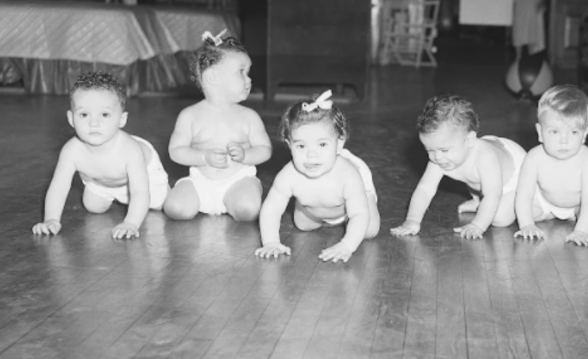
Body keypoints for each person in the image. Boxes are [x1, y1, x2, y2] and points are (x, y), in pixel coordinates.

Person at [32, 72, 169, 240]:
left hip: (144, 179)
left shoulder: (131, 150)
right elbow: (59, 187)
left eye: (104, 114)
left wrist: (131, 223)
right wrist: (51, 220)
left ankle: (170, 190)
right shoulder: (71, 151)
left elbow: (140, 191)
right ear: (71, 118)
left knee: (165, 206)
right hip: (103, 181)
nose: (94, 123)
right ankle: (113, 195)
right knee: (93, 206)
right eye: (84, 114)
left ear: (121, 120)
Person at [255, 90, 380, 263]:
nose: (311, 155)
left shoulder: (349, 174)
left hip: (352, 202)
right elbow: (271, 209)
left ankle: (364, 202)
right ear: (289, 145)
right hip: (319, 206)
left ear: (339, 144)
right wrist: (271, 242)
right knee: (303, 225)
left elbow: (358, 213)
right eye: (300, 146)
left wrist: (346, 245)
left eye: (322, 144)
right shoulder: (288, 175)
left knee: (368, 230)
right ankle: (308, 203)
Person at [163, 30, 272, 221]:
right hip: (201, 181)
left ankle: (239, 200)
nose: (249, 79)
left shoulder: (249, 117)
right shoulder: (190, 116)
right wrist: (203, 157)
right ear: (212, 78)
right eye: (241, 72)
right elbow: (176, 151)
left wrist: (246, 155)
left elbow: (265, 149)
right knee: (175, 208)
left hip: (238, 181)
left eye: (248, 72)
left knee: (248, 208)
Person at [391, 94, 526, 240]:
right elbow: (424, 189)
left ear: (469, 140)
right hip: (482, 180)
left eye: (444, 150)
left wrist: (477, 225)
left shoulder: (486, 157)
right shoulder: (442, 156)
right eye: (429, 150)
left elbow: (493, 195)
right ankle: (479, 201)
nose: (436, 157)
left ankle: (541, 208)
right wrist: (412, 220)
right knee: (475, 179)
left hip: (516, 176)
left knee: (500, 219)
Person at [514, 84, 588, 246]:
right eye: (554, 131)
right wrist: (527, 225)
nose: (564, 140)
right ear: (540, 132)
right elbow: (524, 194)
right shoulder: (533, 157)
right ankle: (551, 214)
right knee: (518, 210)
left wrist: (581, 231)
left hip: (585, 200)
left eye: (574, 132)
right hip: (546, 200)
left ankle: (579, 215)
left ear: (584, 134)